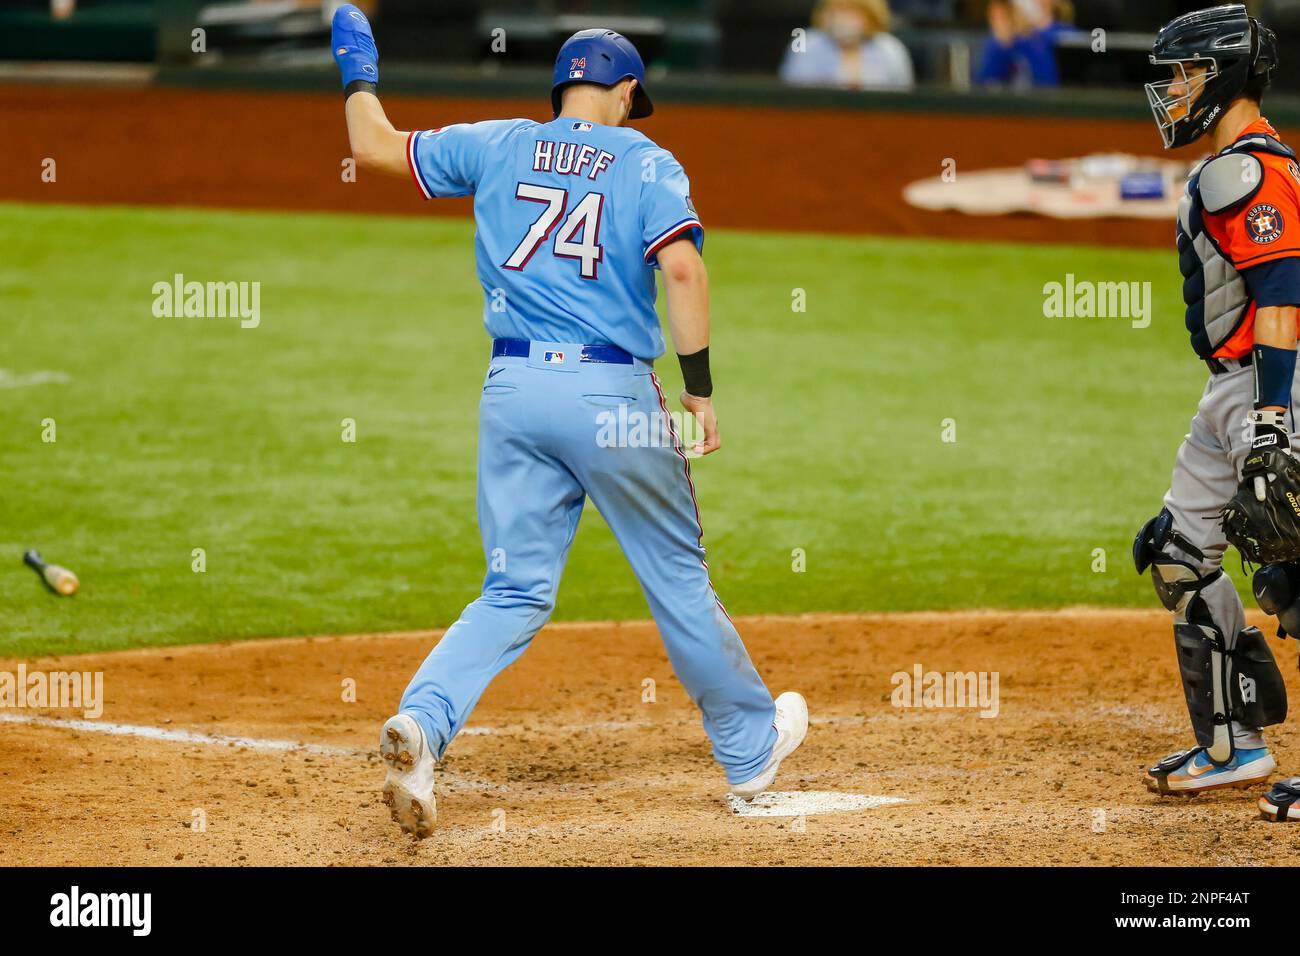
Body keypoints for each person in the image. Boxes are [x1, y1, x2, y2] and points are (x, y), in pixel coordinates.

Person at [329, 5, 808, 837]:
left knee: (512, 586)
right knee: (675, 576)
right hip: (610, 398)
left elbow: (372, 144)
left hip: (512, 392)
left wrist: (358, 67)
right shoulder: (646, 160)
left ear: (560, 90)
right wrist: (698, 392)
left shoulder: (497, 141)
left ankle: (423, 723)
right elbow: (684, 271)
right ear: (623, 92)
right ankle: (749, 745)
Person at [1133, 4, 1300, 823]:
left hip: (1275, 383)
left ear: (1222, 74)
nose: (1173, 91)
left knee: (1293, 573)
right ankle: (1234, 744)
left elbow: (1279, 296)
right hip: (1228, 388)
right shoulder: (1232, 164)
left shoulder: (1248, 171)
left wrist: (1273, 421)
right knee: (1177, 553)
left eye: (1185, 74)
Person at [780, 0, 914, 90]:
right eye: (836, 11)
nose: (842, 18)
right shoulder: (806, 43)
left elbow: (905, 98)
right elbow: (792, 91)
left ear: (870, 16)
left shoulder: (890, 49)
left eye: (852, 12)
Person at [976, 0, 1074, 88]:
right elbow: (986, 84)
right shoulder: (1000, 43)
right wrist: (1003, 42)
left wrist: (1031, 36)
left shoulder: (1063, 34)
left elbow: (1048, 85)